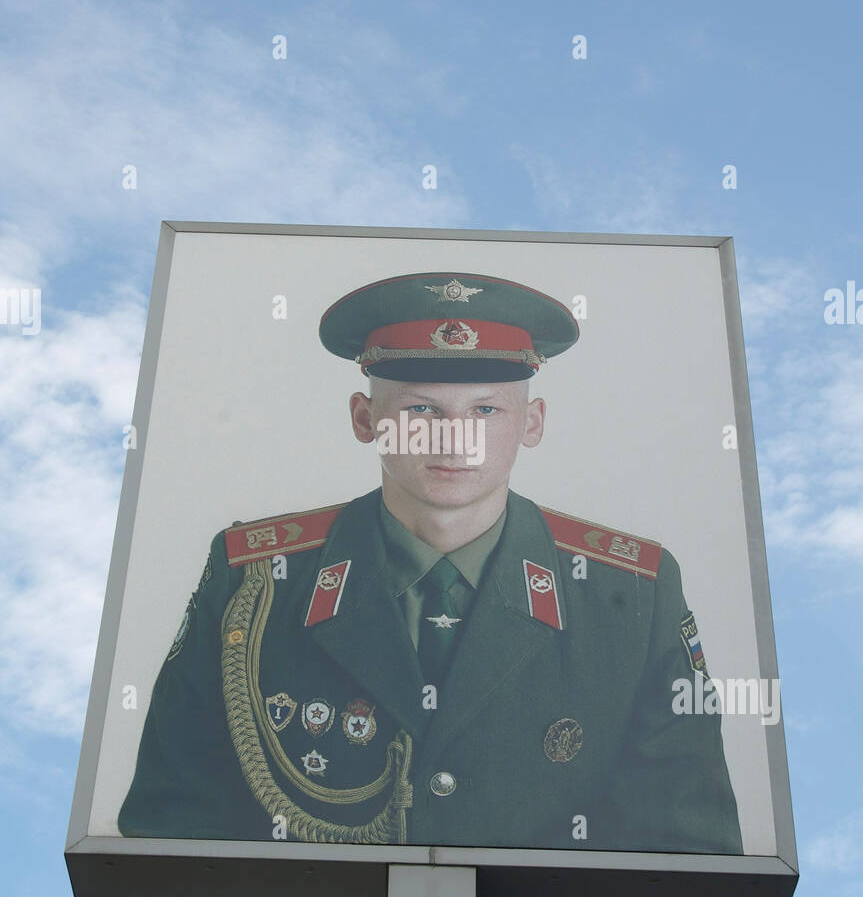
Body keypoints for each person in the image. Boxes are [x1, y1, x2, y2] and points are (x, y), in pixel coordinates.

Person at [118, 271, 743, 854]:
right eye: (421, 409)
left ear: (532, 423)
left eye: (485, 410)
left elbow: (689, 856)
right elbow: (169, 832)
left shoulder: (633, 594)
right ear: (365, 419)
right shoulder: (254, 580)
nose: (453, 439)